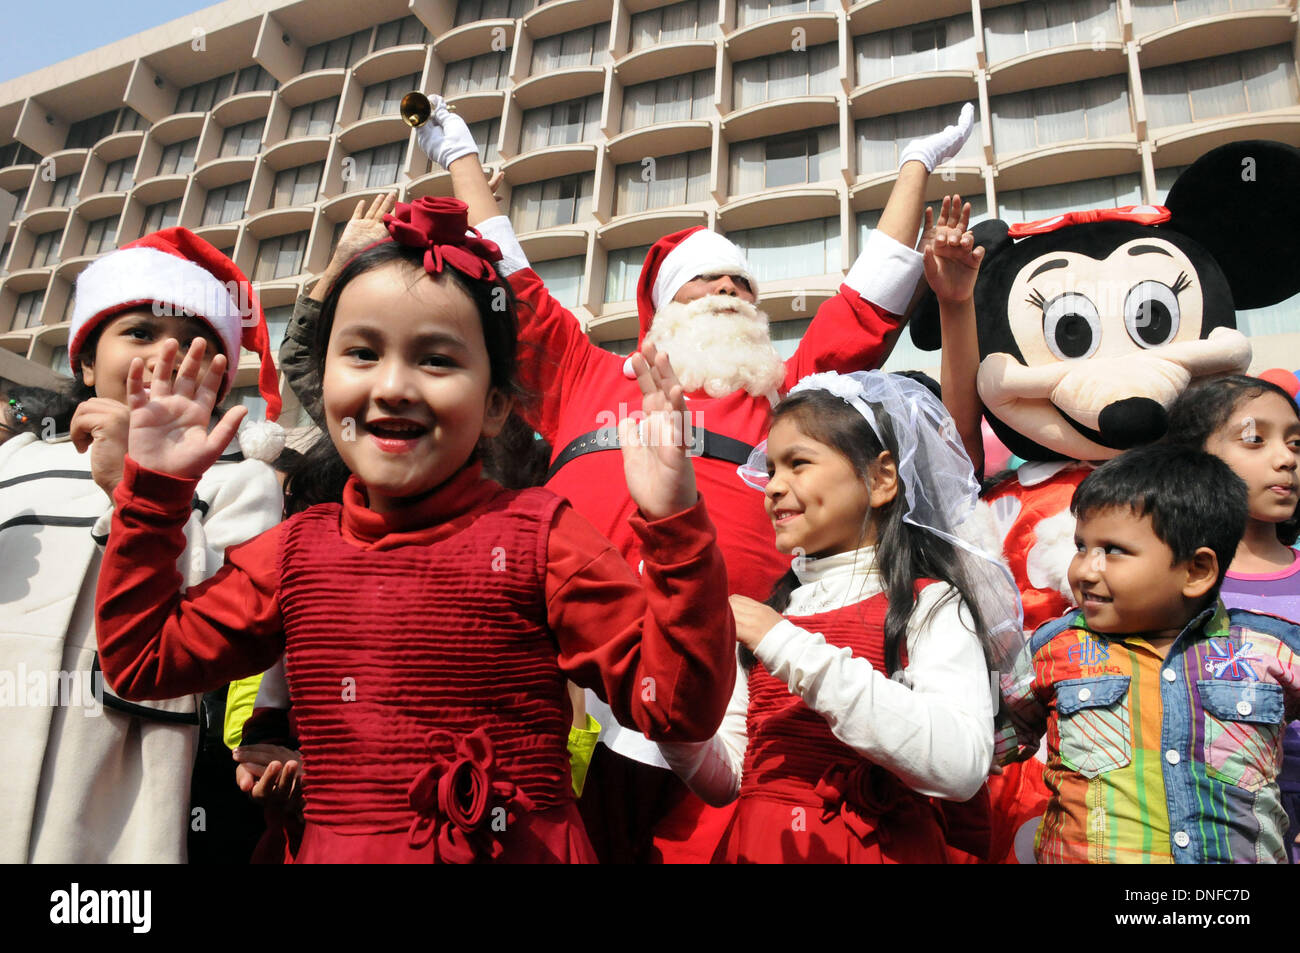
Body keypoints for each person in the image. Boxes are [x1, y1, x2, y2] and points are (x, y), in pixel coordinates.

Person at [388, 93, 977, 861]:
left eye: (743, 287)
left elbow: (868, 299)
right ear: (665, 311)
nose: (732, 295)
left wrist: (913, 169)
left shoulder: (787, 391)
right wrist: (461, 156)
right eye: (709, 286)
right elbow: (513, 277)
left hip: (735, 707)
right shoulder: (583, 371)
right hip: (578, 695)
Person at [92, 197, 737, 863]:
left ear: (495, 406)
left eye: (436, 359)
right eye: (363, 352)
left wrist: (676, 525)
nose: (394, 385)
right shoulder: (294, 550)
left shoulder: (544, 535)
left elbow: (680, 708)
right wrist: (155, 496)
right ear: (325, 375)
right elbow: (142, 660)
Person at [0, 228, 284, 862]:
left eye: (191, 345)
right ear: (83, 360)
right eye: (138, 333)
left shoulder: (241, 479)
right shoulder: (14, 457)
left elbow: (229, 635)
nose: (165, 354)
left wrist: (135, 487)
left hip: (127, 767)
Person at [655, 370, 1020, 862]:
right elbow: (736, 774)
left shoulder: (930, 603)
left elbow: (960, 764)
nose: (773, 488)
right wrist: (678, 733)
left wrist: (788, 646)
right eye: (772, 472)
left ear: (880, 477)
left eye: (797, 464)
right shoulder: (771, 614)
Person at [997, 444, 1300, 863]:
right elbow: (982, 744)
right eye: (1082, 546)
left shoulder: (1275, 650)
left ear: (1197, 571)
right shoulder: (1054, 648)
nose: (1084, 569)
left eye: (1113, 551)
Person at [1164, 374, 1300, 861]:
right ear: (1194, 457)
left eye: (1294, 442)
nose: (1286, 458)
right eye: (1254, 439)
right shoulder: (1163, 586)